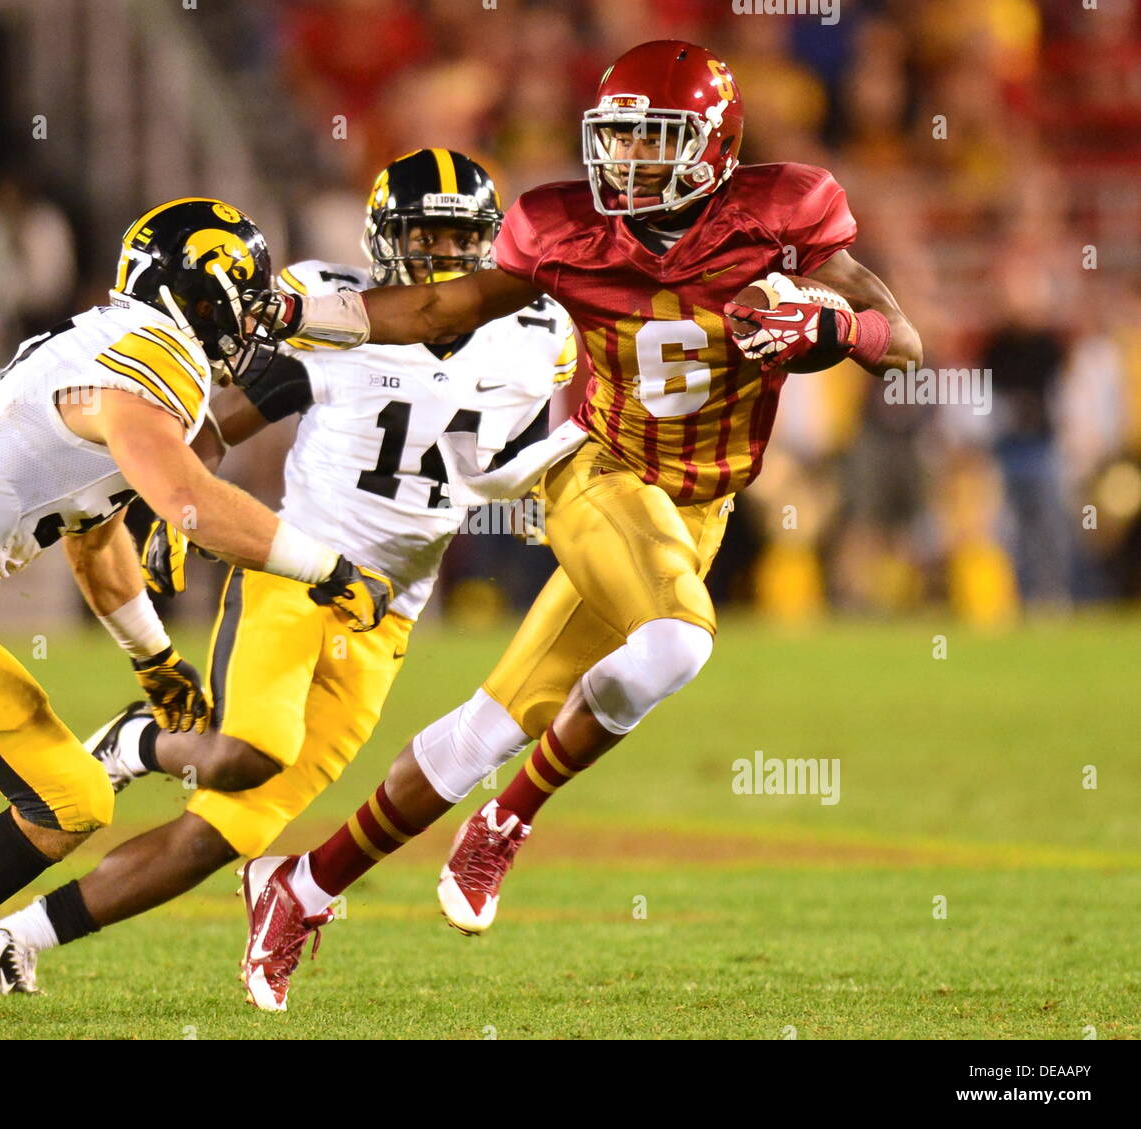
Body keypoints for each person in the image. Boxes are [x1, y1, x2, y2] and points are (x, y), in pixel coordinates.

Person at [243, 39, 923, 1010]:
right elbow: (447, 303)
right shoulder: (563, 228)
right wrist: (306, 307)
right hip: (599, 473)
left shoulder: (784, 213)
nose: (627, 162)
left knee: (485, 729)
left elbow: (903, 339)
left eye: (653, 141)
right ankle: (508, 825)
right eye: (618, 139)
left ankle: (298, 886)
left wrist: (831, 330)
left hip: (701, 509)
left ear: (712, 147)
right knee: (680, 643)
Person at [0, 150, 576, 1010]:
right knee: (247, 751)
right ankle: (135, 743)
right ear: (382, 240)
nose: (437, 254)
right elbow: (214, 429)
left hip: (389, 614)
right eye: (421, 234)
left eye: (457, 237)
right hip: (296, 574)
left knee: (227, 829)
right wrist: (174, 509)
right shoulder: (333, 310)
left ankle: (10, 940)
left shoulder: (542, 332)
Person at [0, 196, 389, 1018]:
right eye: (241, 300)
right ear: (198, 300)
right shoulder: (153, 357)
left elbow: (93, 531)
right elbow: (187, 499)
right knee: (71, 798)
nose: (253, 320)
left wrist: (154, 657)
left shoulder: (124, 342)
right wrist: (327, 564)